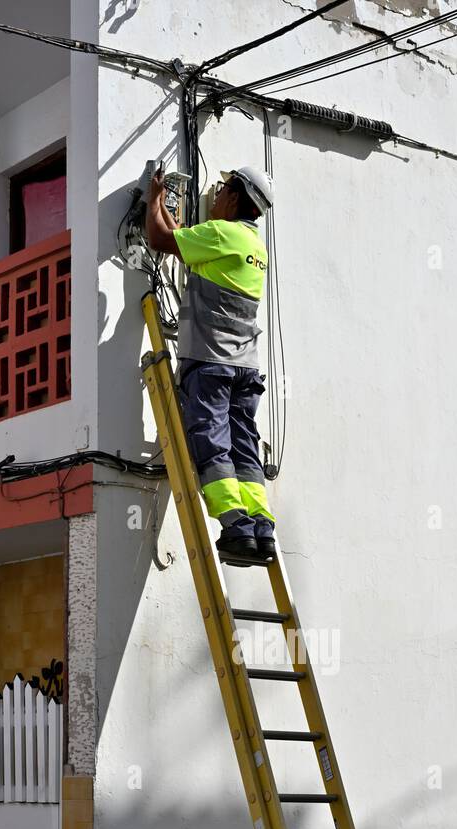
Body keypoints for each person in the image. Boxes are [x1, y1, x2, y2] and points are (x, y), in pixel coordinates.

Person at [145, 165, 276, 564]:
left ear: (235, 198)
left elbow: (158, 239)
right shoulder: (254, 248)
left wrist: (152, 199)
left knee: (212, 441)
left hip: (210, 363)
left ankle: (235, 528)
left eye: (221, 191)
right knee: (243, 447)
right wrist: (171, 217)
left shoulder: (221, 235)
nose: (215, 197)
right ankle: (260, 528)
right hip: (245, 368)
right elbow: (180, 241)